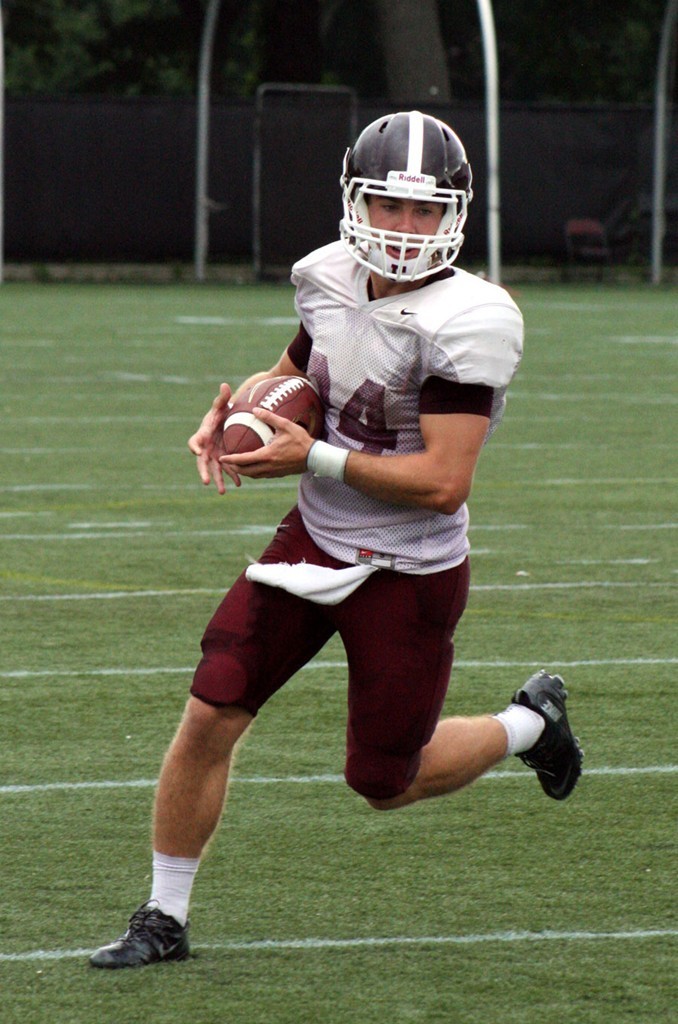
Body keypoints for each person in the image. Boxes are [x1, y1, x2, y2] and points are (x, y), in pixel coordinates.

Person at [90, 110, 583, 969]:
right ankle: (164, 917)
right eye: (388, 206)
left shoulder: (472, 318)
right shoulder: (325, 274)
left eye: (424, 211)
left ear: (455, 215)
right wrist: (239, 416)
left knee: (384, 781)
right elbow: (295, 373)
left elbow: (442, 482)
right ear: (355, 204)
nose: (404, 229)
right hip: (314, 538)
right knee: (212, 708)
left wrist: (309, 453)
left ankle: (528, 724)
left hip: (408, 564)